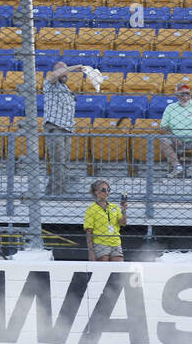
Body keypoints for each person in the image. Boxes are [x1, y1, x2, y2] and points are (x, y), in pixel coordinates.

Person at [43, 61, 84, 195]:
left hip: (66, 129)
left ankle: (51, 191)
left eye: (66, 71)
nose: (65, 72)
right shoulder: (50, 84)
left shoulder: (66, 89)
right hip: (55, 128)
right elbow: (54, 75)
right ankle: (58, 192)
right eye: (62, 70)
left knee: (63, 163)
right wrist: (72, 68)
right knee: (58, 162)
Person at [160, 83, 192, 177]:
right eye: (181, 94)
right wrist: (173, 137)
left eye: (187, 93)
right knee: (163, 140)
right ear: (176, 95)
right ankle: (177, 167)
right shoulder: (170, 108)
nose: (185, 97)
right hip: (176, 138)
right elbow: (164, 126)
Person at [84, 180, 128, 260]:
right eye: (103, 190)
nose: (107, 192)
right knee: (103, 267)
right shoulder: (91, 209)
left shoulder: (114, 207)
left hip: (115, 242)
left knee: (118, 268)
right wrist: (91, 252)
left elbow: (123, 223)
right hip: (100, 243)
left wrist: (123, 210)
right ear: (96, 192)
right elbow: (89, 232)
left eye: (108, 190)